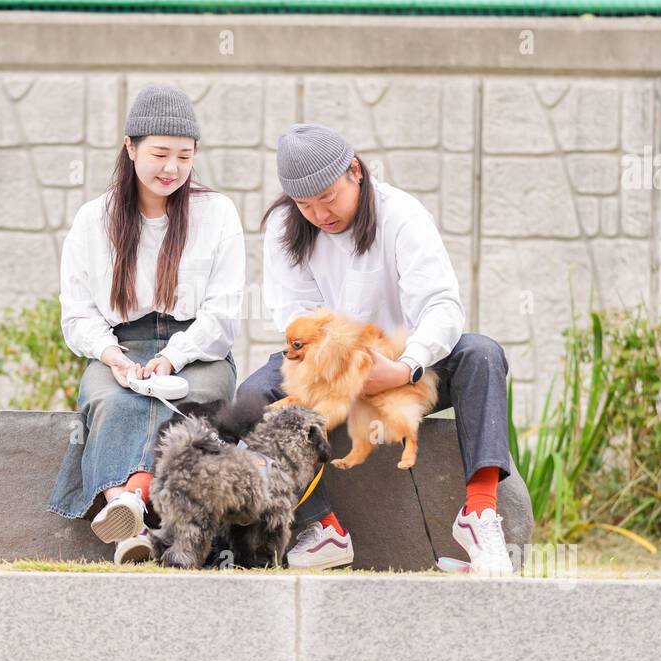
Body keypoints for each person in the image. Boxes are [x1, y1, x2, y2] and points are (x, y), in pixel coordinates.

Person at [236, 123, 515, 575]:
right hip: (333, 372)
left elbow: (441, 306)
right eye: (305, 205)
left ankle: (479, 513)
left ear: (355, 171)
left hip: (408, 365)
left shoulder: (401, 214)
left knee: (482, 354)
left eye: (328, 198)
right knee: (254, 394)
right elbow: (295, 318)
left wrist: (405, 367)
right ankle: (319, 527)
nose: (320, 215)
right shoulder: (286, 228)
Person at [47, 84, 244, 564]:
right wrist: (113, 356)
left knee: (193, 398)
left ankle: (127, 507)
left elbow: (223, 312)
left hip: (198, 349)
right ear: (130, 148)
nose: (171, 168)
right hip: (119, 345)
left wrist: (173, 356)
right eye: (159, 153)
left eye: (183, 155)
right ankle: (135, 518)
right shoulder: (94, 219)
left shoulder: (216, 213)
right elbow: (77, 315)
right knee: (115, 400)